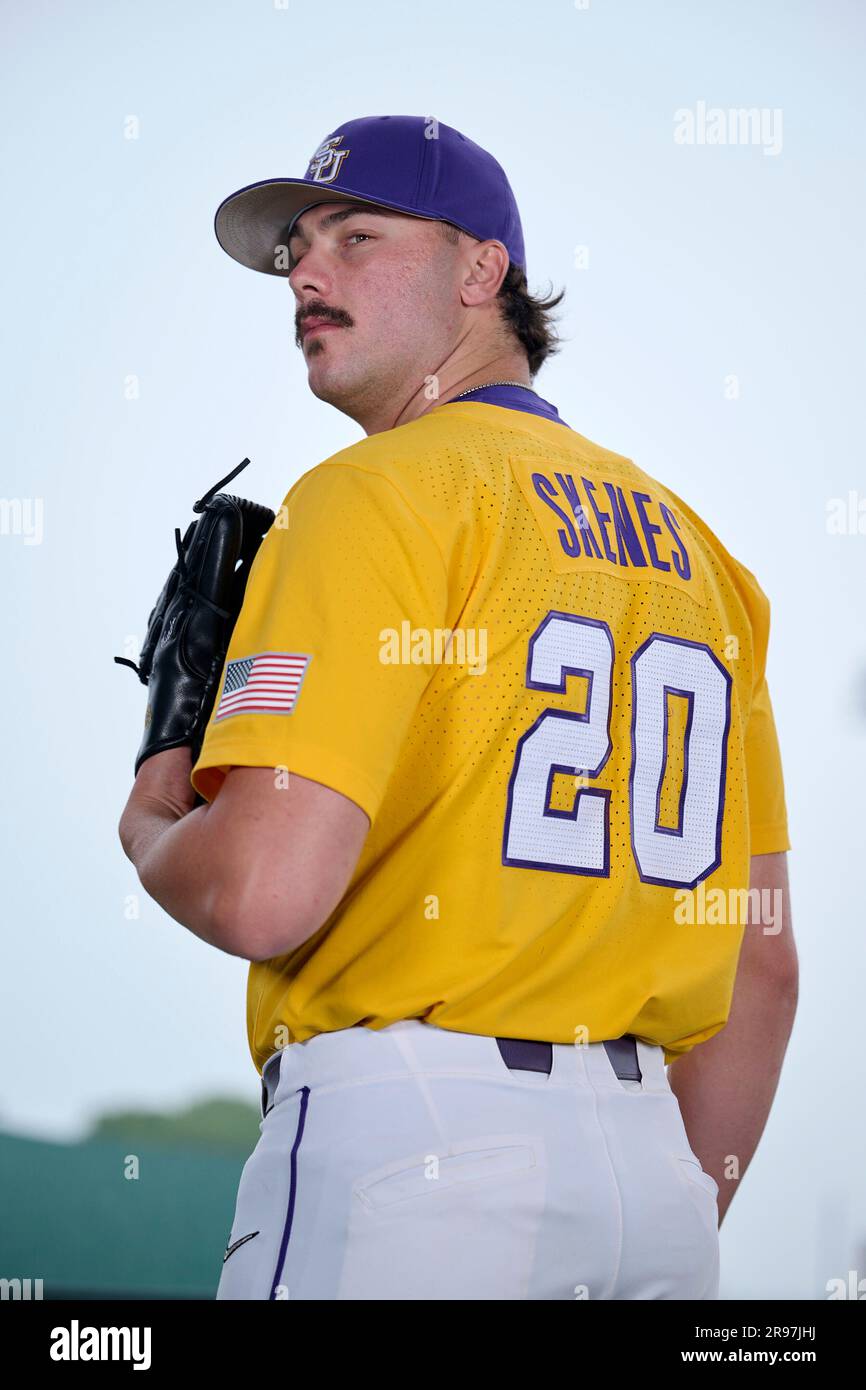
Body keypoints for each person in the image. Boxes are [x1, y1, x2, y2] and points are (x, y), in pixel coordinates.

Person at [119, 115, 798, 1300]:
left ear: (482, 272)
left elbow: (262, 890)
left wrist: (151, 812)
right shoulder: (707, 559)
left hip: (410, 1154)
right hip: (653, 1188)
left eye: (356, 234)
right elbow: (763, 963)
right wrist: (654, 1203)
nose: (307, 273)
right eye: (296, 252)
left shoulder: (371, 495)